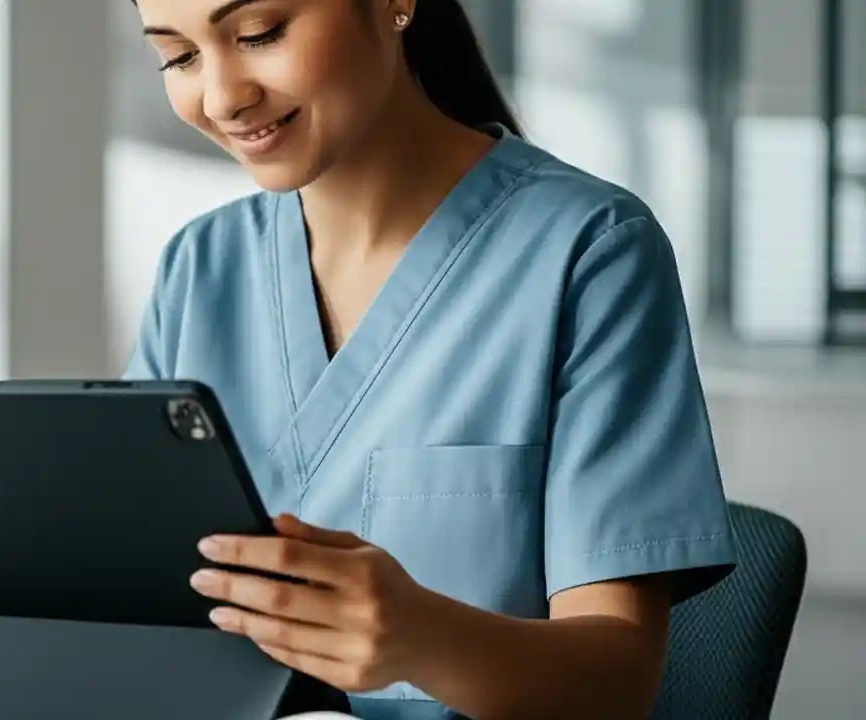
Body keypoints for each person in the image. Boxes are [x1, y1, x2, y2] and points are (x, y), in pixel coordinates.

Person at [122, 1, 737, 718]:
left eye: (260, 34)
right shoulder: (199, 267)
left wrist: (421, 639)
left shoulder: (589, 251)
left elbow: (615, 683)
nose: (224, 96)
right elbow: (140, 596)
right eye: (179, 57)